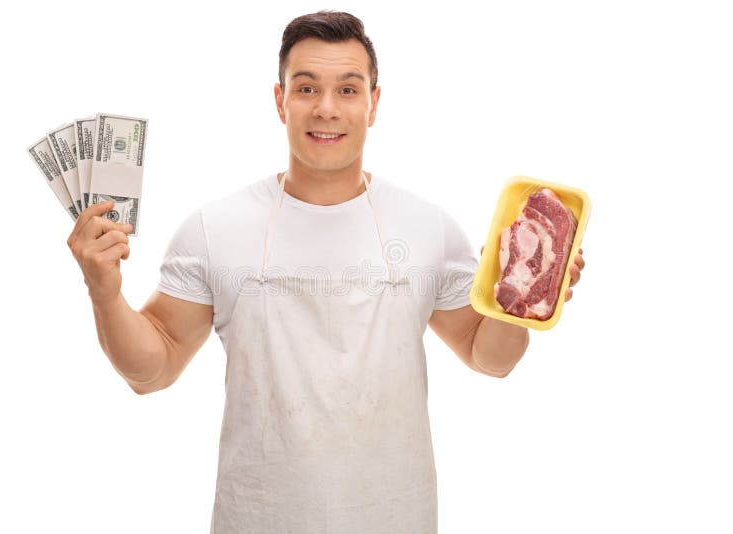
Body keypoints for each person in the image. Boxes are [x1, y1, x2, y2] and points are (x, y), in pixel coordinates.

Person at [66, 10, 585, 533]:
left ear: (374, 103)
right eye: (307, 88)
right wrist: (105, 293)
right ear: (280, 100)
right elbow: (153, 370)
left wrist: (527, 288)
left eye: (348, 90)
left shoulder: (427, 227)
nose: (327, 109)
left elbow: (489, 358)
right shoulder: (215, 228)